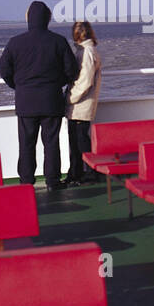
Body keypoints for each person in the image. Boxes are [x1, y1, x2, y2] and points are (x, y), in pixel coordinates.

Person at [0, 0, 79, 189]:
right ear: (47, 19)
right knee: (51, 143)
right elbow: (71, 70)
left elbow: (3, 68)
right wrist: (56, 84)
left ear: (28, 19)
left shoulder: (15, 42)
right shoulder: (58, 41)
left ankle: (26, 181)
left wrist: (18, 85)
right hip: (51, 100)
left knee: (26, 144)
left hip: (26, 101)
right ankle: (52, 181)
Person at [65, 21, 102, 185]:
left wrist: (70, 98)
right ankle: (77, 172)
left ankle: (88, 173)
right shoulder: (88, 50)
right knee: (78, 139)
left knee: (80, 140)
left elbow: (86, 81)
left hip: (81, 105)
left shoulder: (86, 52)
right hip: (82, 104)